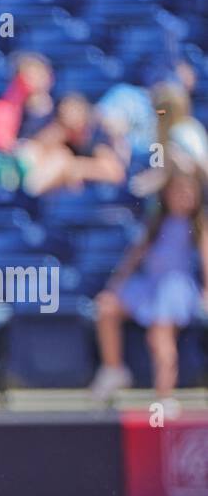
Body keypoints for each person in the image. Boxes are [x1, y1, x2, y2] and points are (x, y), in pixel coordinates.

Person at [90, 169, 208, 410]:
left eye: (188, 191)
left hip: (175, 289)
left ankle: (164, 396)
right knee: (106, 308)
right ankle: (113, 369)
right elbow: (134, 257)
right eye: (177, 191)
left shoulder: (199, 227)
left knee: (160, 338)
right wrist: (116, 285)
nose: (183, 196)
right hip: (147, 287)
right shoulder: (155, 223)